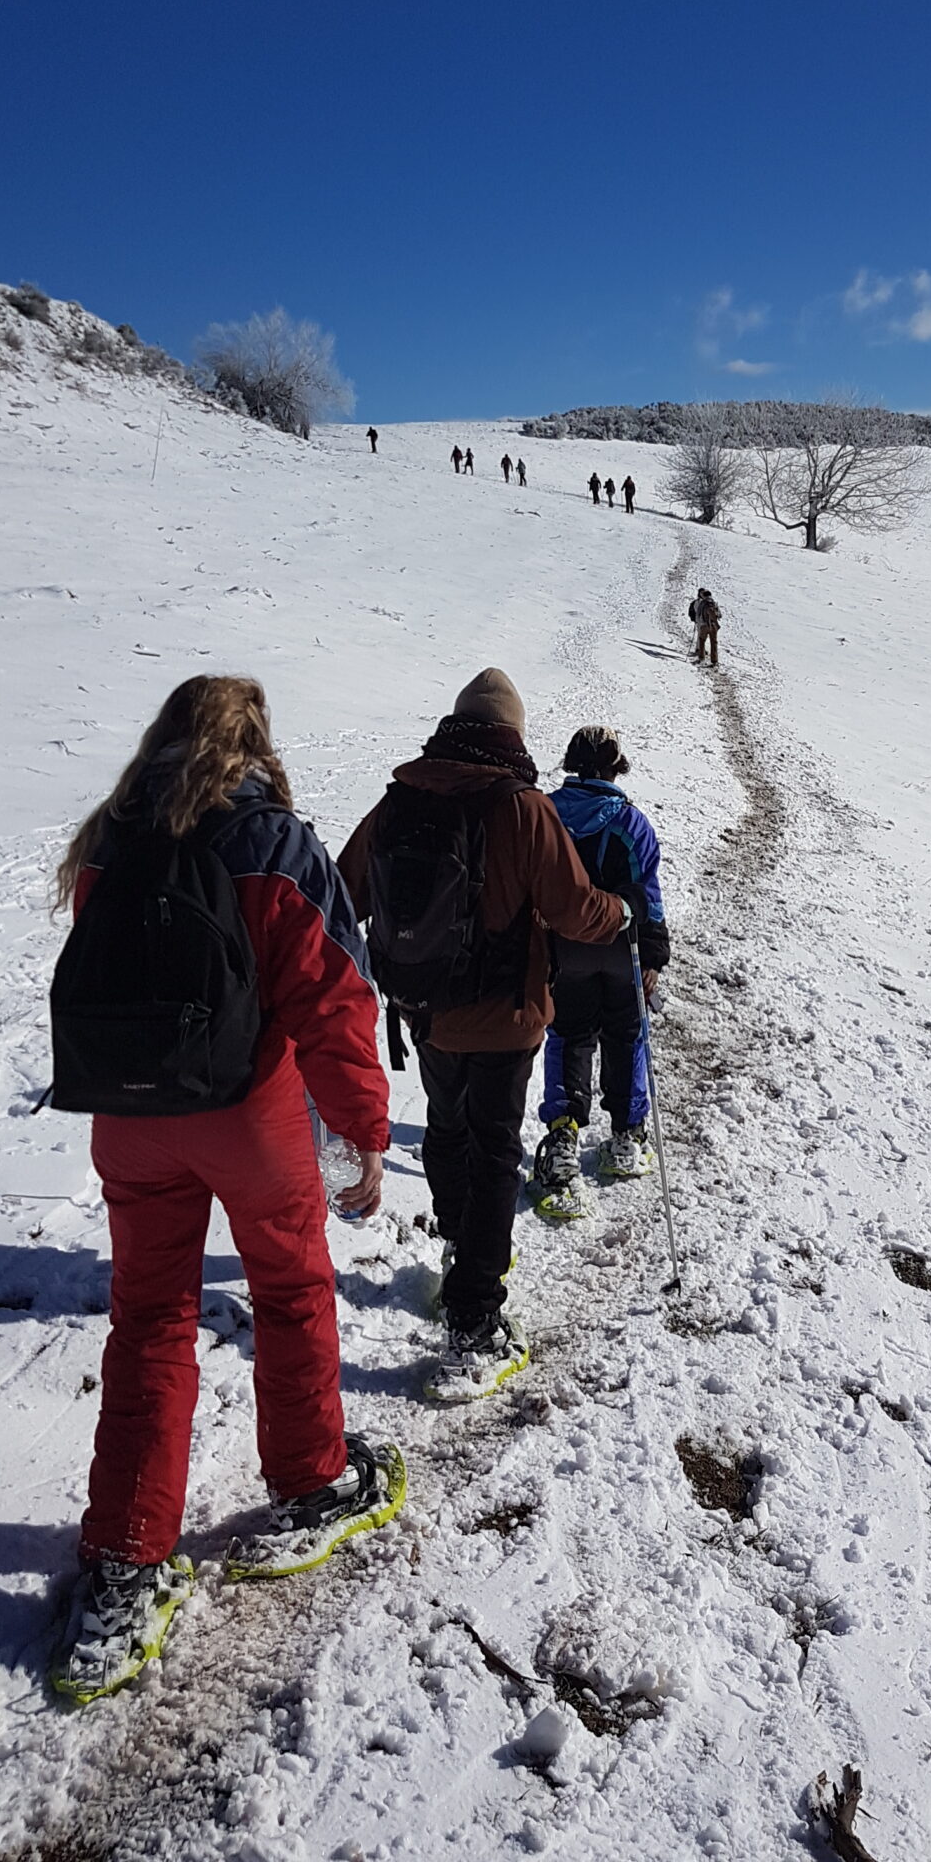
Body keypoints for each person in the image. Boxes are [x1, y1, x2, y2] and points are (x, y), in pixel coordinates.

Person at [47, 676, 398, 1705]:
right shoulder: (271, 843)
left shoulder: (111, 838)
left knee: (149, 1317)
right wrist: (362, 1134)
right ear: (253, 743)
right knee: (290, 1290)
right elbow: (334, 996)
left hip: (128, 1114)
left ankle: (126, 1554)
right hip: (250, 1112)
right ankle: (310, 1475)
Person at [340, 669, 627, 1394]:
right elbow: (573, 909)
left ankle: (460, 1250)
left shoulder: (402, 797)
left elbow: (344, 891)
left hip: (426, 1008)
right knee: (496, 1151)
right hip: (506, 1015)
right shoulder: (523, 808)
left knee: (447, 1129)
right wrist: (620, 914)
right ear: (513, 735)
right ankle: (474, 1321)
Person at [531, 728, 671, 1200]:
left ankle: (562, 1135)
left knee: (569, 1036)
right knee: (626, 1035)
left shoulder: (545, 813)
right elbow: (649, 895)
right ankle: (627, 1135)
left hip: (563, 949)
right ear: (616, 767)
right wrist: (653, 954)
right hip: (621, 948)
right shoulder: (632, 823)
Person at [690, 585, 721, 666]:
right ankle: (714, 661)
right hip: (713, 626)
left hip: (704, 625)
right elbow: (719, 614)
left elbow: (699, 614)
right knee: (714, 642)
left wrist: (697, 622)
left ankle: (701, 658)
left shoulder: (702, 603)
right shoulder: (714, 603)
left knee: (702, 641)